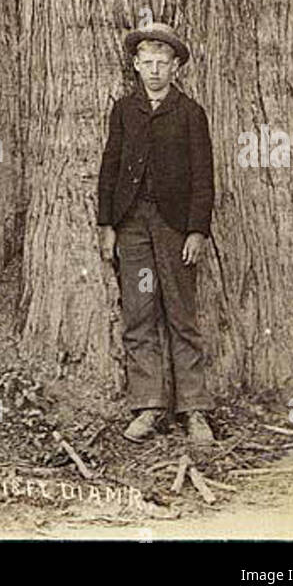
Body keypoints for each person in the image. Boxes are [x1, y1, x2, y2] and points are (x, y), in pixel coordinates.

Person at [97, 22, 215, 443]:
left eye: (162, 63)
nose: (154, 71)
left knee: (181, 313)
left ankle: (194, 409)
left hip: (173, 226)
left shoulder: (189, 113)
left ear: (176, 67)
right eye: (146, 63)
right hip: (133, 228)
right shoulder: (125, 111)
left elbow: (204, 178)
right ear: (135, 65)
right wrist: (107, 224)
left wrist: (196, 231)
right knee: (140, 310)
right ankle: (148, 405)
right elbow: (110, 167)